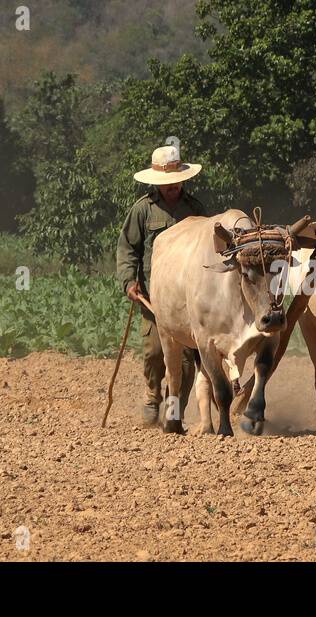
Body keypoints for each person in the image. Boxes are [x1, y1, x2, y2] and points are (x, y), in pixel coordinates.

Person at [115, 145, 208, 427]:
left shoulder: (195, 209)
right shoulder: (143, 209)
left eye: (176, 183)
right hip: (155, 293)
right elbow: (128, 247)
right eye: (166, 185)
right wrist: (129, 280)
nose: (172, 188)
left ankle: (173, 410)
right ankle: (152, 394)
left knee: (187, 360)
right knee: (155, 352)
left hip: (188, 296)